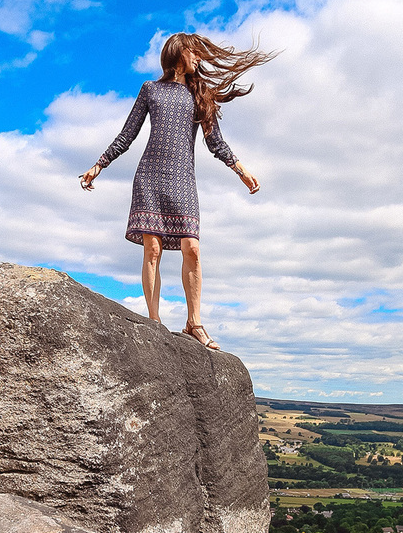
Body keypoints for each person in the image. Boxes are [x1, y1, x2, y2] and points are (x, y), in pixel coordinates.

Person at [80, 32, 274, 349]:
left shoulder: (201, 94)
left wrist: (241, 170)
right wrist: (100, 164)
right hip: (150, 176)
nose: (198, 58)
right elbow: (127, 134)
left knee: (192, 249)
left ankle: (194, 323)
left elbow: (216, 143)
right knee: (152, 249)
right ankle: (154, 322)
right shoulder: (150, 90)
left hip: (183, 179)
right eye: (193, 53)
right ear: (178, 52)